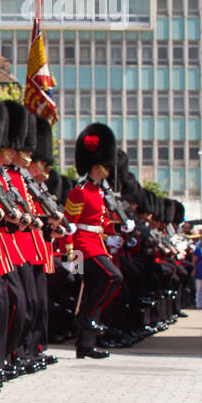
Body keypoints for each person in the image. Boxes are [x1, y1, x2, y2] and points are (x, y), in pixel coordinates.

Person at [63, 123, 123, 359]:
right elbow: (70, 223)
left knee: (92, 292)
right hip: (83, 247)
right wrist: (70, 255)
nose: (108, 170)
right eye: (104, 166)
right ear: (95, 165)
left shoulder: (98, 192)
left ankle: (85, 345)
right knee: (112, 277)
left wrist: (116, 230)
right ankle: (85, 317)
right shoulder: (80, 190)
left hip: (97, 244)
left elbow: (102, 221)